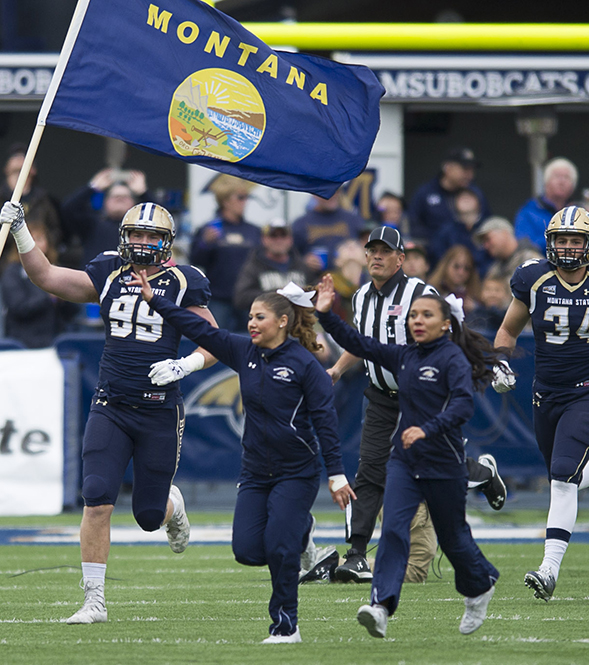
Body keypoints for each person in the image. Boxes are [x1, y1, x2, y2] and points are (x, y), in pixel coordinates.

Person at [0, 198, 218, 624]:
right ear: (124, 236)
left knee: (148, 516)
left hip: (158, 410)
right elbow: (46, 276)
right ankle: (94, 601)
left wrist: (185, 364)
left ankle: (171, 506)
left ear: (166, 241)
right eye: (135, 233)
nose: (141, 241)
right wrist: (21, 231)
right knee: (97, 499)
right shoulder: (108, 272)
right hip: (111, 405)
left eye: (151, 235)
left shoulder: (183, 281)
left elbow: (212, 338)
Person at [132, 274, 354, 642]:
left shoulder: (305, 365)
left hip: (296, 472)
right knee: (247, 551)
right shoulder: (243, 351)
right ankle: (301, 531)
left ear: (282, 321)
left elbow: (326, 423)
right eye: (250, 317)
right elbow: (199, 329)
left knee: (280, 549)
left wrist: (337, 474)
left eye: (259, 317)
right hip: (255, 473)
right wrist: (156, 300)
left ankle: (286, 627)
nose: (251, 323)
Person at [315, 278, 500, 637]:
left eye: (426, 315)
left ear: (445, 323)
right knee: (393, 531)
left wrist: (427, 429)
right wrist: (325, 314)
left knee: (454, 539)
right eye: (413, 315)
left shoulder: (453, 359)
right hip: (404, 462)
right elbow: (359, 343)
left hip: (444, 463)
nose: (417, 320)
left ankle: (480, 585)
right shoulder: (404, 355)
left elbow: (463, 406)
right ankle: (381, 605)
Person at [327, 226, 505, 585]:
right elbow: (362, 343)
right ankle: (356, 553)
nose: (377, 256)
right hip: (380, 395)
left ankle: (481, 473)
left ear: (400, 258)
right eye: (372, 250)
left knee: (436, 465)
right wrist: (337, 369)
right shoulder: (360, 297)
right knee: (371, 469)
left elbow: (450, 335)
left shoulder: (420, 293)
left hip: (420, 395)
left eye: (385, 251)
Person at [492, 205, 589, 601]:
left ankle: (549, 569)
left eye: (574, 240)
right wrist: (499, 362)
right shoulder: (533, 278)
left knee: (563, 477)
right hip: (546, 392)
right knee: (563, 472)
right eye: (561, 240)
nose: (567, 247)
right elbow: (507, 330)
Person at [189, 175, 260, 331]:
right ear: (225, 201)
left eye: (246, 197)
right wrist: (205, 244)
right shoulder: (210, 229)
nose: (245, 202)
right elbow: (195, 260)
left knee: (252, 339)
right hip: (218, 298)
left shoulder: (254, 231)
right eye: (240, 197)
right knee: (215, 339)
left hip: (247, 298)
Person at [1, 218, 76, 347]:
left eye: (39, 239)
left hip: (55, 341)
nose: (34, 244)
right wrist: (49, 296)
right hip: (22, 343)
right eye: (30, 239)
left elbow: (72, 311)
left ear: (47, 243)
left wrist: (65, 297)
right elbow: (18, 307)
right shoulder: (12, 272)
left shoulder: (56, 269)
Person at [60, 168, 146, 268]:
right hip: (94, 276)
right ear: (105, 202)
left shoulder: (142, 227)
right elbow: (68, 209)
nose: (120, 199)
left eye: (125, 197)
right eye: (115, 196)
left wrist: (143, 193)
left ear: (134, 203)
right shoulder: (93, 223)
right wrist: (92, 187)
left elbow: (161, 218)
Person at [233, 218, 316, 314]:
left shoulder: (301, 265)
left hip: (298, 320)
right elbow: (241, 298)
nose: (279, 240)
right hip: (266, 320)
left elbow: (314, 293)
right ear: (264, 239)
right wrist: (278, 293)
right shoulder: (254, 266)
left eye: (283, 235)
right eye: (273, 236)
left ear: (290, 239)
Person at [409, 147, 491, 243]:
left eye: (472, 170)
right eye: (465, 169)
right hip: (434, 250)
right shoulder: (425, 193)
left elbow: (487, 224)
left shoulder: (475, 193)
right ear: (447, 168)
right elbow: (413, 226)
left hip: (469, 249)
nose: (470, 175)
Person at [291, 191, 366, 273]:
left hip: (348, 277)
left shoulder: (353, 220)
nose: (332, 195)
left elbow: (366, 248)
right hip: (315, 278)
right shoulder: (300, 224)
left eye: (335, 191)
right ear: (315, 194)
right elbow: (290, 256)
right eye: (326, 192)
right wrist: (304, 262)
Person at [514, 157, 578, 251]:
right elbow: (524, 246)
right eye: (557, 176)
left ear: (573, 186)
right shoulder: (529, 212)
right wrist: (559, 237)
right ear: (546, 182)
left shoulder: (579, 213)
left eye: (566, 177)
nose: (562, 182)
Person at [476, 216, 543, 294]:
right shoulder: (495, 269)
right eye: (483, 242)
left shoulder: (532, 261)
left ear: (504, 233)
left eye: (488, 239)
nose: (486, 246)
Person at [428, 188, 489, 269]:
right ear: (454, 204)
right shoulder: (446, 231)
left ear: (479, 202)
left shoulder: (488, 227)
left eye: (470, 196)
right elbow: (437, 255)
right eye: (461, 197)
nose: (466, 199)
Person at [427, 244, 482, 315]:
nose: (461, 273)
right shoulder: (431, 291)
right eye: (456, 266)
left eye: (467, 268)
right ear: (446, 266)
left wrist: (475, 309)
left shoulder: (474, 298)